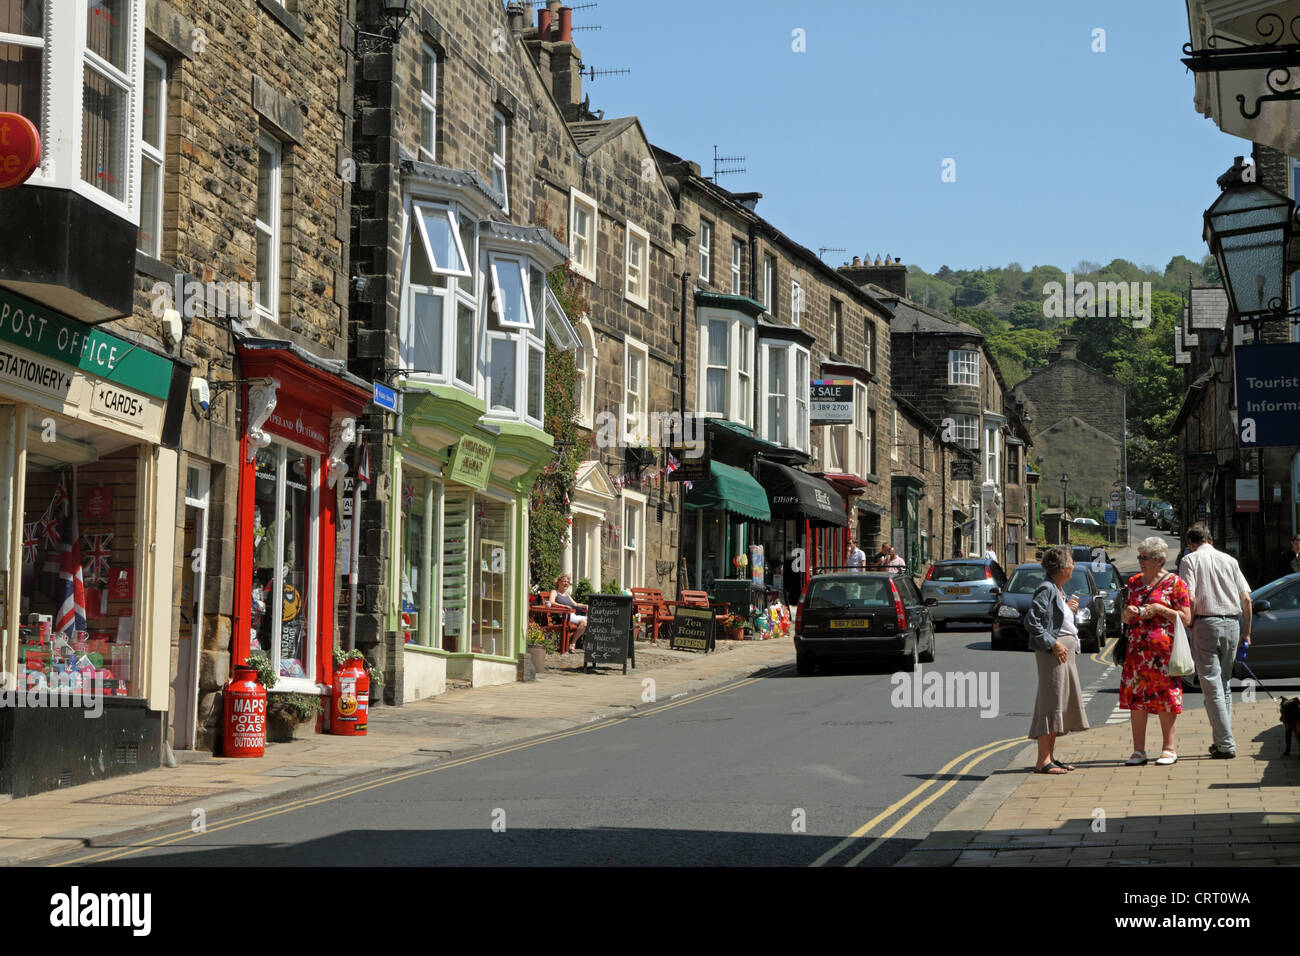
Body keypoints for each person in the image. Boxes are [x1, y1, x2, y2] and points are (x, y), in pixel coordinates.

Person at [1177, 523, 1252, 759]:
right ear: (1210, 539)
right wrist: (1246, 632)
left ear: (1191, 543)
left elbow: (1188, 595)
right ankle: (1221, 741)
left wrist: (1189, 623)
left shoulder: (1189, 560)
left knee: (1211, 687)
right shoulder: (1230, 560)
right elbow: (1247, 600)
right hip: (1232, 623)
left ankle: (1226, 744)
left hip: (1205, 623)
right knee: (1224, 683)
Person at [1119, 537, 1192, 766]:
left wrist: (1161, 609)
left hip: (1164, 654)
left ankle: (1169, 749)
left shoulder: (1176, 583)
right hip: (1137, 654)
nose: (1140, 561)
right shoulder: (1133, 583)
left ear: (1160, 560)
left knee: (1166, 698)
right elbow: (1123, 615)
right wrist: (1129, 612)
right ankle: (1138, 751)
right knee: (1136, 699)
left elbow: (1186, 618)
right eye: (1139, 557)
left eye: (1144, 557)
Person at [1024, 545, 1090, 773]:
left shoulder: (1057, 589)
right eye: (1071, 563)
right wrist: (1053, 644)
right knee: (1050, 703)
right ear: (1062, 567)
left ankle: (1050, 757)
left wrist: (1069, 609)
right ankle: (1043, 761)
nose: (1073, 567)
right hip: (1054, 654)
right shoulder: (1046, 588)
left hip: (1063, 654)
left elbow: (1056, 619)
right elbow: (1032, 621)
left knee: (1058, 704)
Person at [552, 574, 588, 648]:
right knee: (584, 623)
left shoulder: (567, 594)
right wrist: (564, 606)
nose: (566, 583)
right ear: (558, 582)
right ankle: (573, 643)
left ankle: (584, 643)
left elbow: (575, 604)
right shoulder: (555, 592)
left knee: (592, 619)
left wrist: (585, 605)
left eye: (568, 582)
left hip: (571, 615)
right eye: (564, 581)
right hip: (563, 616)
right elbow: (552, 602)